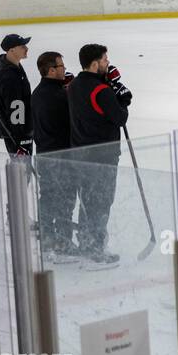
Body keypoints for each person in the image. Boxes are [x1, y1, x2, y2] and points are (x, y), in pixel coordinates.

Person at [67, 44, 132, 267]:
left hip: (80, 151)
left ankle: (86, 242)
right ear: (95, 64)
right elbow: (120, 117)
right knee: (101, 202)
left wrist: (108, 84)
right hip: (102, 155)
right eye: (105, 59)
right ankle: (95, 248)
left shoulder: (75, 84)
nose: (108, 63)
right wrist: (121, 97)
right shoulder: (101, 91)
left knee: (87, 200)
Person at [31, 51, 80, 262]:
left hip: (43, 154)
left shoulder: (38, 92)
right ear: (51, 70)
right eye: (61, 66)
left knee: (48, 198)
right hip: (60, 157)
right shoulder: (59, 97)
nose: (64, 69)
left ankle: (48, 239)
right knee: (65, 201)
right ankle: (63, 244)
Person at [0, 33, 32, 157]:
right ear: (11, 50)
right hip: (17, 133)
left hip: (21, 130)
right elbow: (15, 108)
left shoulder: (14, 65)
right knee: (20, 172)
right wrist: (20, 141)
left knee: (22, 172)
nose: (26, 49)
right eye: (22, 46)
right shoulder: (9, 75)